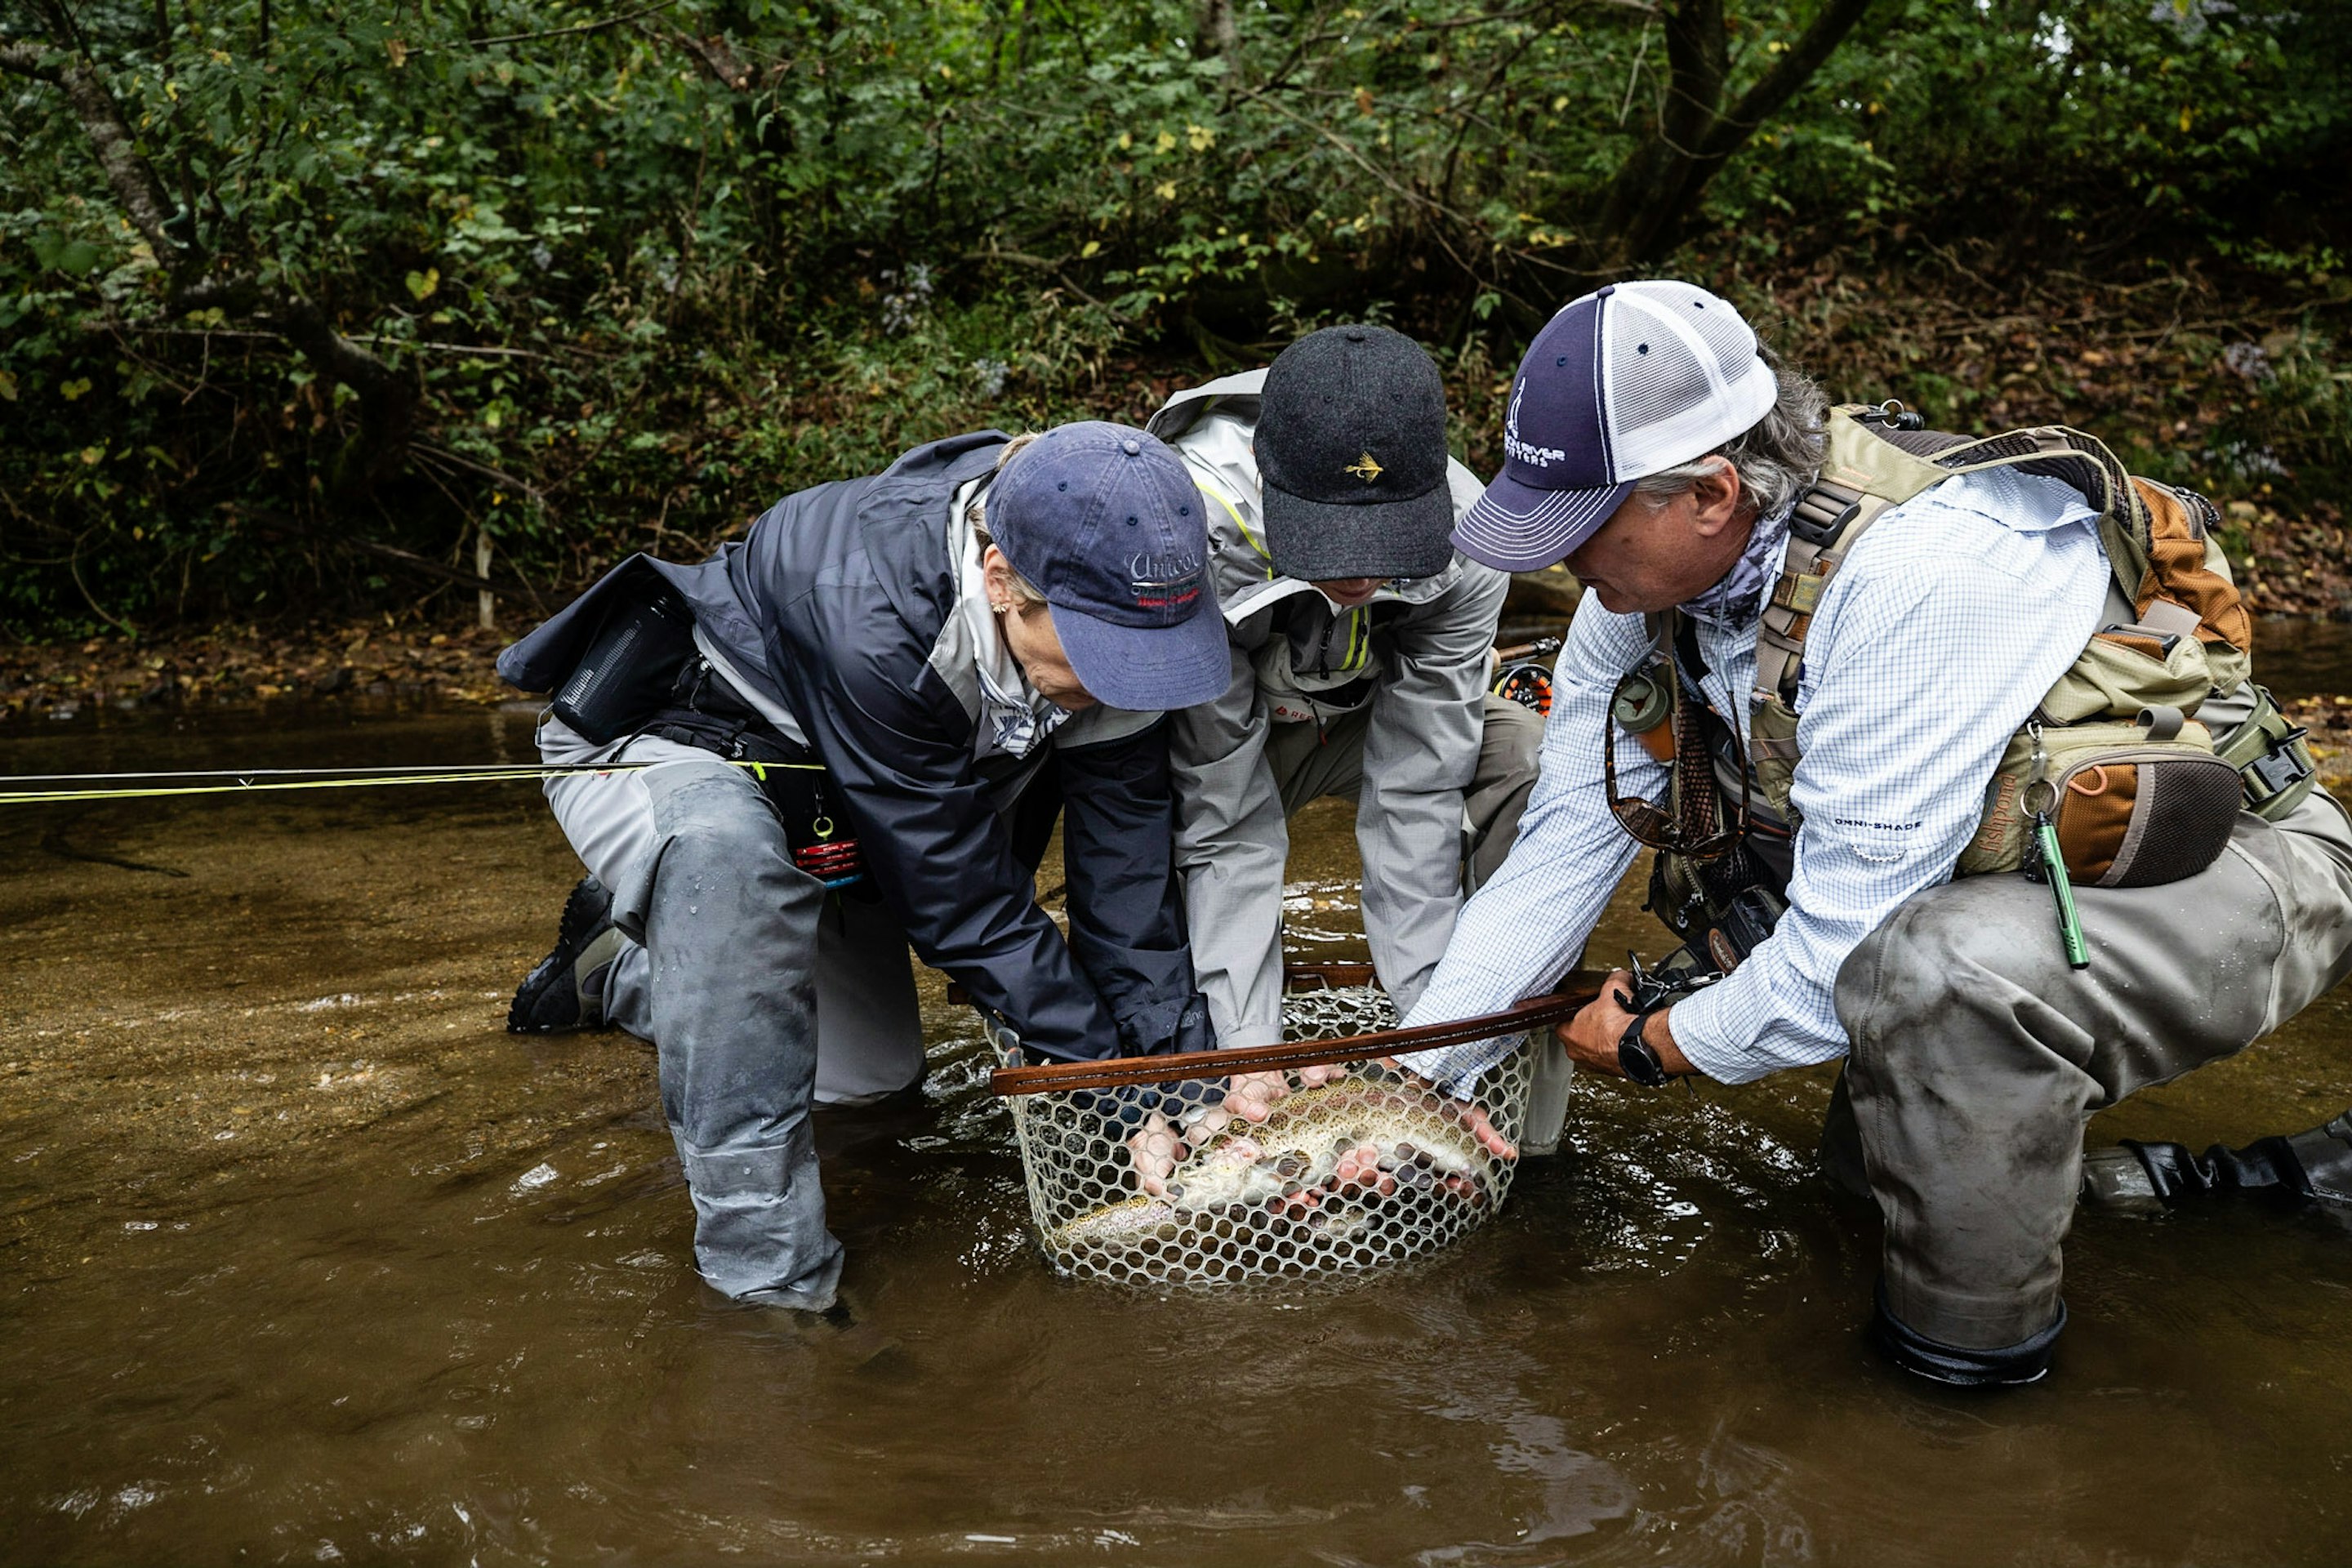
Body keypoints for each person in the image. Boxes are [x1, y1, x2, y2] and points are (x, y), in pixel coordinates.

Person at [1397, 278, 2352, 1385]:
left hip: (2245, 866)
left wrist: (1655, 1046)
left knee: (1939, 984)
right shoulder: (1638, 601)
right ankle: (2216, 1189)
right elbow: (1559, 854)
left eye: (1583, 528)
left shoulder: (1914, 574)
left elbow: (1841, 960)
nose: (1559, 565)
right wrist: (1423, 1087)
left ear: (1710, 493)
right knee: (1877, 1185)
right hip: (1997, 888)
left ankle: (1964, 1391)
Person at [496, 421, 1228, 1311]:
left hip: (852, 814)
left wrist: (1174, 1083)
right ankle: (768, 1281)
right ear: (1000, 580)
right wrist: (1108, 1097)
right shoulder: (866, 605)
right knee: (730, 871)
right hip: (677, 754)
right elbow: (963, 905)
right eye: (1099, 657)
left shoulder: (1113, 589)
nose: (1123, 684)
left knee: (868, 1088)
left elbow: (1126, 883)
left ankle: (624, 973)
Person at [1139, 325, 1548, 1145]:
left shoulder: (1474, 539)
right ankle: (1179, 1085)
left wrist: (1430, 1053)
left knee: (1530, 757)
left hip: (1363, 719)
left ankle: (1506, 1105)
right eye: (1330, 544)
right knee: (1135, 802)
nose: (1361, 576)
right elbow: (1228, 816)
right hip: (1235, 734)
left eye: (1387, 546)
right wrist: (1250, 1056)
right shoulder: (1188, 524)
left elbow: (1418, 791)